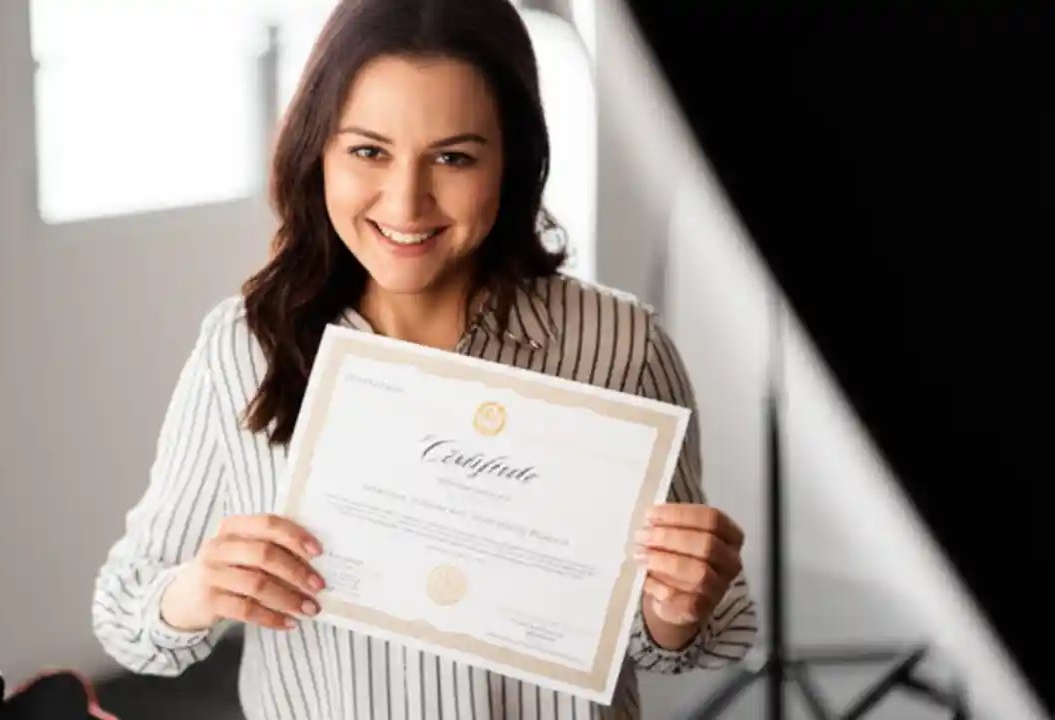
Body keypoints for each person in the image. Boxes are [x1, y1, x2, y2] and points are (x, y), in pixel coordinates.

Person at [92, 0, 757, 717]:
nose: (407, 202)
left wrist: (680, 601)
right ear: (316, 151)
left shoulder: (621, 348)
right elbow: (126, 615)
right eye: (368, 151)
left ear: (514, 161)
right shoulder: (243, 349)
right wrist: (198, 588)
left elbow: (694, 641)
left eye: (453, 156)